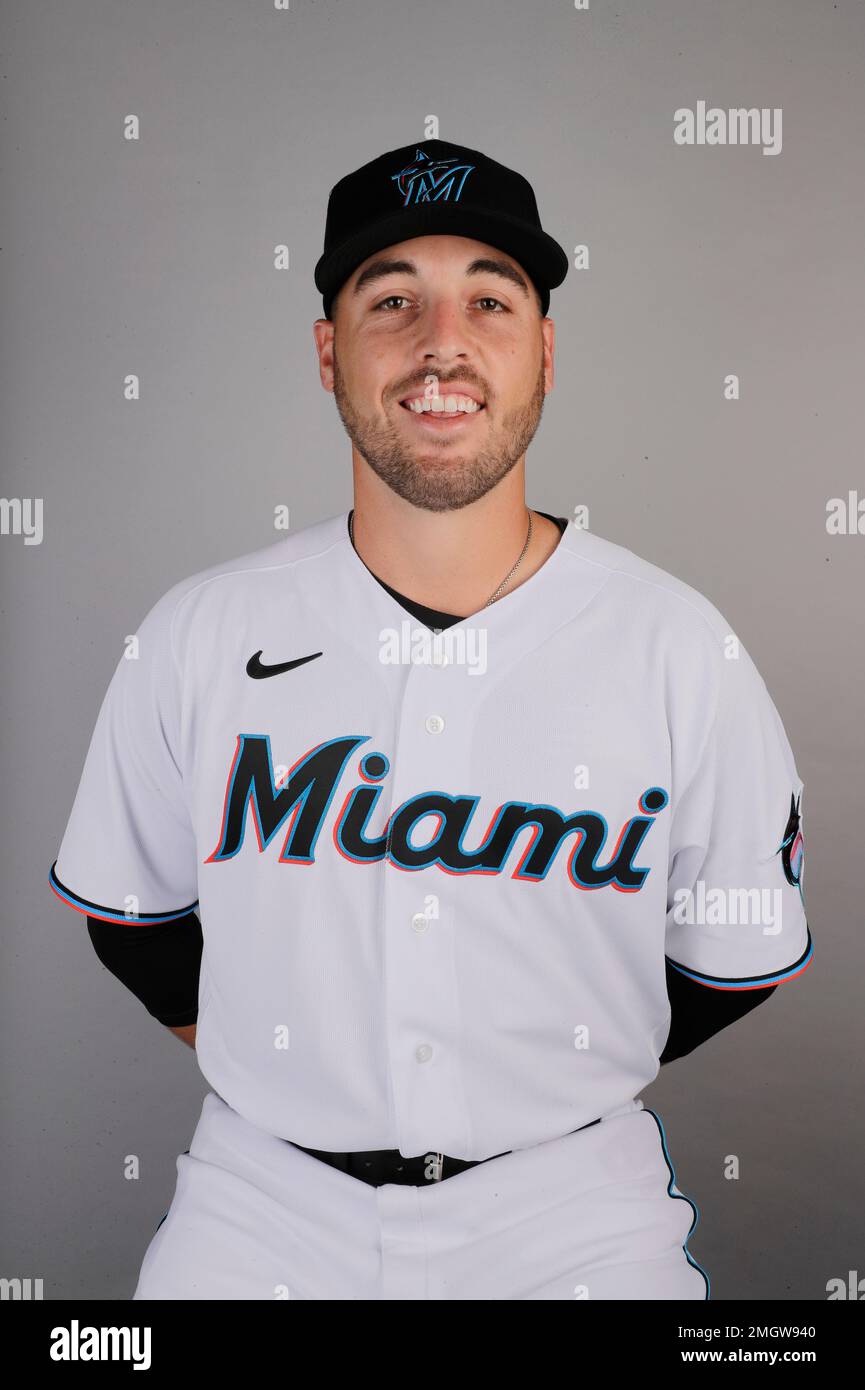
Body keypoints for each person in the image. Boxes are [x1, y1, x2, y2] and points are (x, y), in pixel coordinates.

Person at [49, 138, 812, 1300]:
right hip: (260, 1207)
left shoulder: (673, 644)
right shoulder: (201, 631)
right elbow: (135, 924)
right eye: (391, 299)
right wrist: (302, 1074)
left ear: (544, 350)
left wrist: (546, 1071)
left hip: (574, 1213)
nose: (440, 343)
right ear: (328, 351)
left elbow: (732, 960)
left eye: (489, 300)